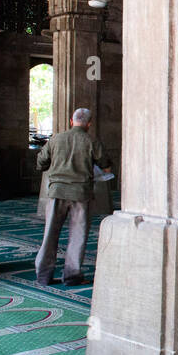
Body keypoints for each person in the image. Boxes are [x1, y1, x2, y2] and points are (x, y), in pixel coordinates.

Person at [34, 107, 112, 287]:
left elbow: (41, 163)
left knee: (50, 233)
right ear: (89, 124)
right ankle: (71, 275)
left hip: (56, 192)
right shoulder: (91, 141)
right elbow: (105, 165)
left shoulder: (56, 139)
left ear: (71, 121)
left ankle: (43, 274)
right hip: (81, 194)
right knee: (78, 235)